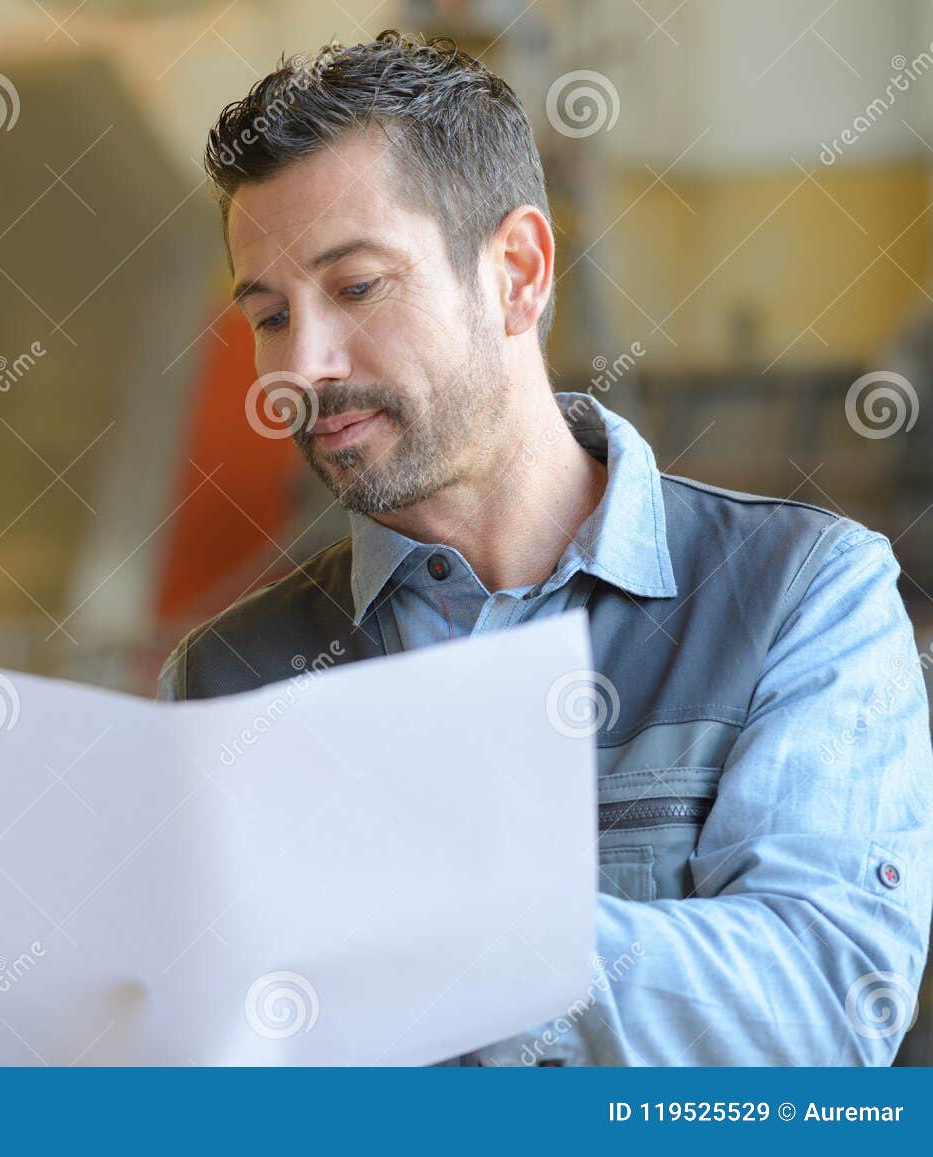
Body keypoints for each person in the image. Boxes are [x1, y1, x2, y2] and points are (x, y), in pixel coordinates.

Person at [160, 32, 933, 1065]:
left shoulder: (797, 598)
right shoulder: (224, 678)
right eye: (268, 314)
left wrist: (452, 923)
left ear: (517, 270)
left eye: (355, 288)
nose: (301, 366)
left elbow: (822, 1005)